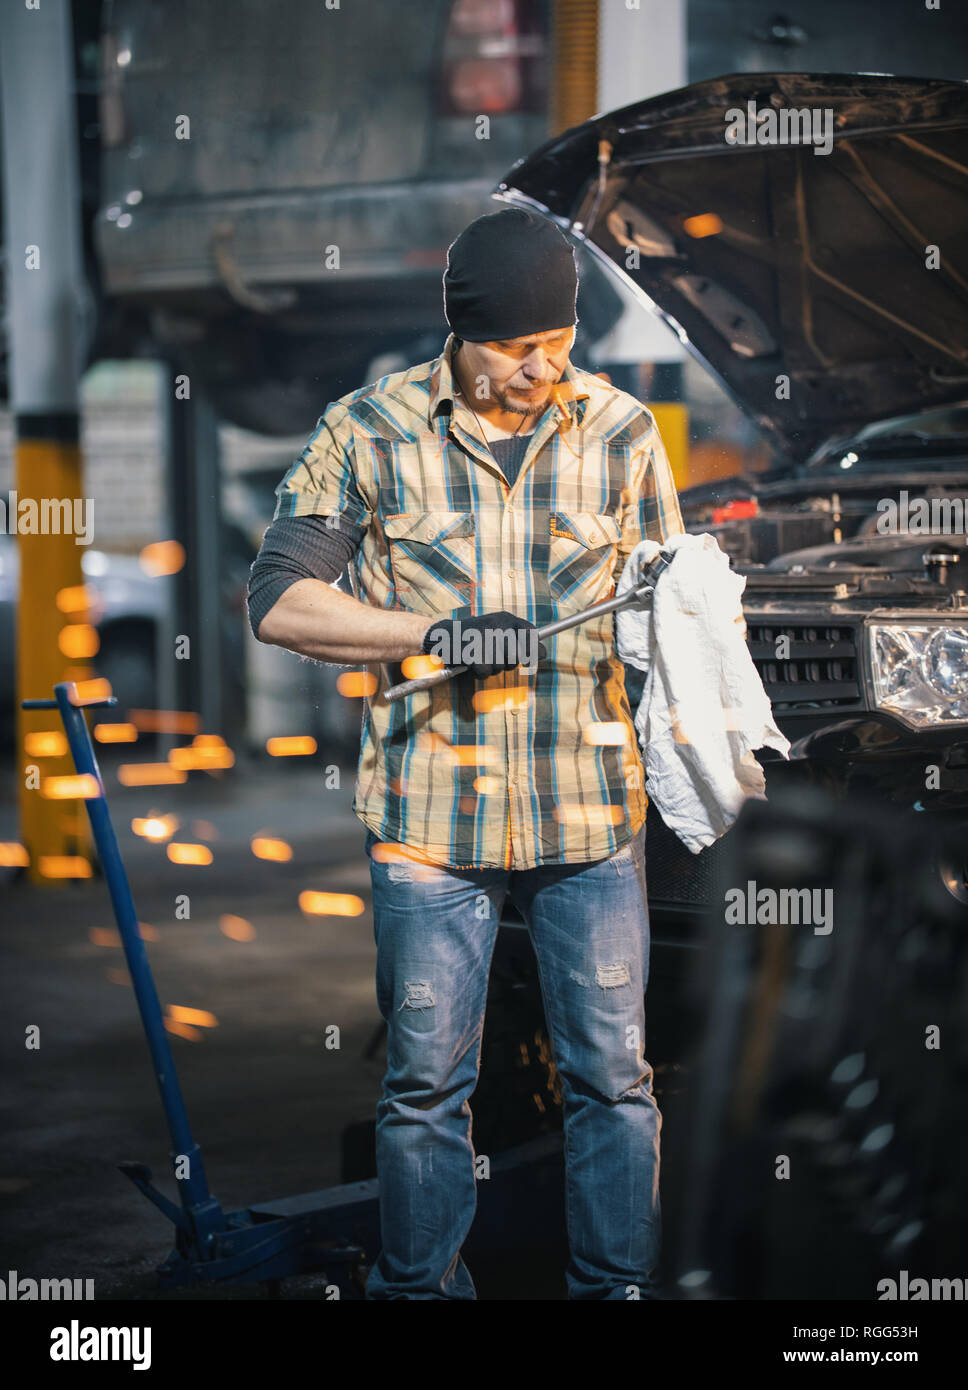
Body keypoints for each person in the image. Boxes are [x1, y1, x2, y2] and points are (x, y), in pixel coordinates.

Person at [246, 207, 685, 1300]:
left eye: (558, 341)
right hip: (431, 826)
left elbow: (668, 615)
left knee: (615, 1083)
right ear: (460, 333)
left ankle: (614, 1289)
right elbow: (276, 602)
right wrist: (428, 635)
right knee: (424, 1086)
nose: (542, 366)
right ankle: (420, 1291)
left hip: (589, 816)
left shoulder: (624, 432)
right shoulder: (367, 431)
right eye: (516, 346)